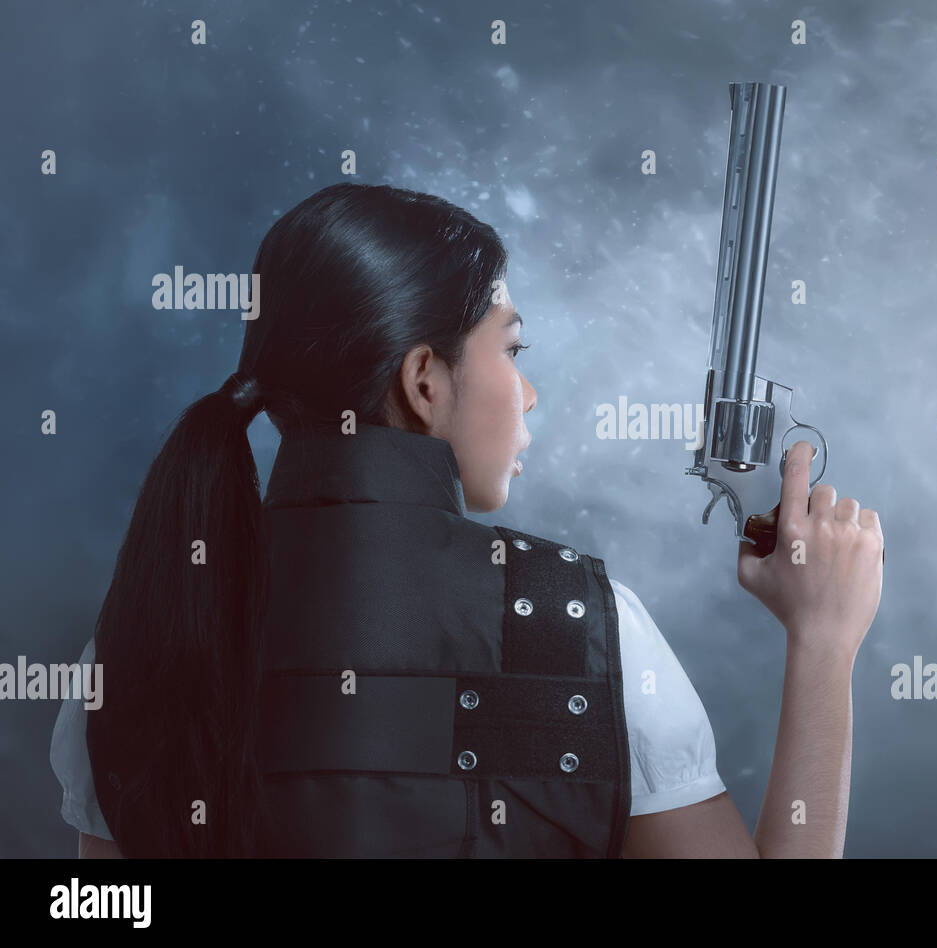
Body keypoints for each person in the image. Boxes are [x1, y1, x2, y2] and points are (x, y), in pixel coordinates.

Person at [49, 182, 884, 858]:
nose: (527, 394)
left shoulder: (143, 634)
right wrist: (823, 644)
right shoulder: (589, 628)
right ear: (425, 381)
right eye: (511, 351)